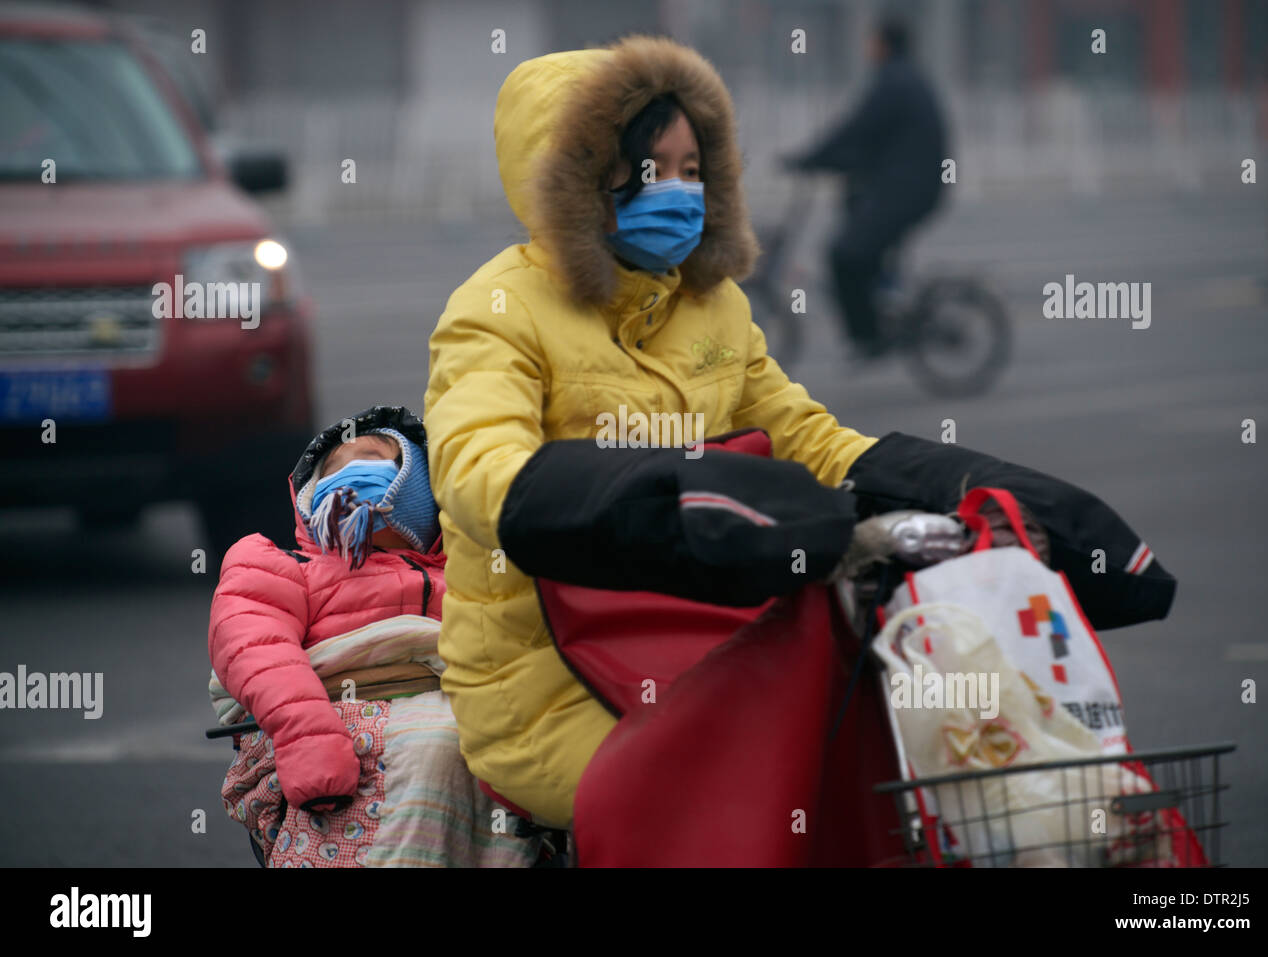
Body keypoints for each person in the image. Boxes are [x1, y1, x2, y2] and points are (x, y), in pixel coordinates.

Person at [424, 35, 880, 831]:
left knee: (866, 759)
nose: (678, 191)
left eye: (691, 169)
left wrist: (936, 481)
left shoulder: (715, 305)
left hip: (698, 642)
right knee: (715, 804)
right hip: (540, 679)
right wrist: (630, 502)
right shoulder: (496, 308)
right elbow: (475, 464)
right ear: (577, 179)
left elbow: (803, 434)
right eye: (648, 170)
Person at [206, 406, 546, 867]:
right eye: (333, 470)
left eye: (368, 459)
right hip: (337, 719)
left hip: (462, 704)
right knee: (439, 745)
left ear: (424, 489)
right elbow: (258, 654)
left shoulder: (475, 573)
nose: (348, 476)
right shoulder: (281, 566)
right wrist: (311, 741)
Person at [784, 16, 949, 357]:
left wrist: (811, 158)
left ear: (883, 44)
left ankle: (868, 336)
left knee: (842, 253)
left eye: (871, 42)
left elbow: (855, 129)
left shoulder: (894, 83)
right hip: (905, 186)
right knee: (856, 227)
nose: (866, 48)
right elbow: (870, 140)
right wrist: (826, 161)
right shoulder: (903, 79)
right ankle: (882, 301)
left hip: (906, 191)